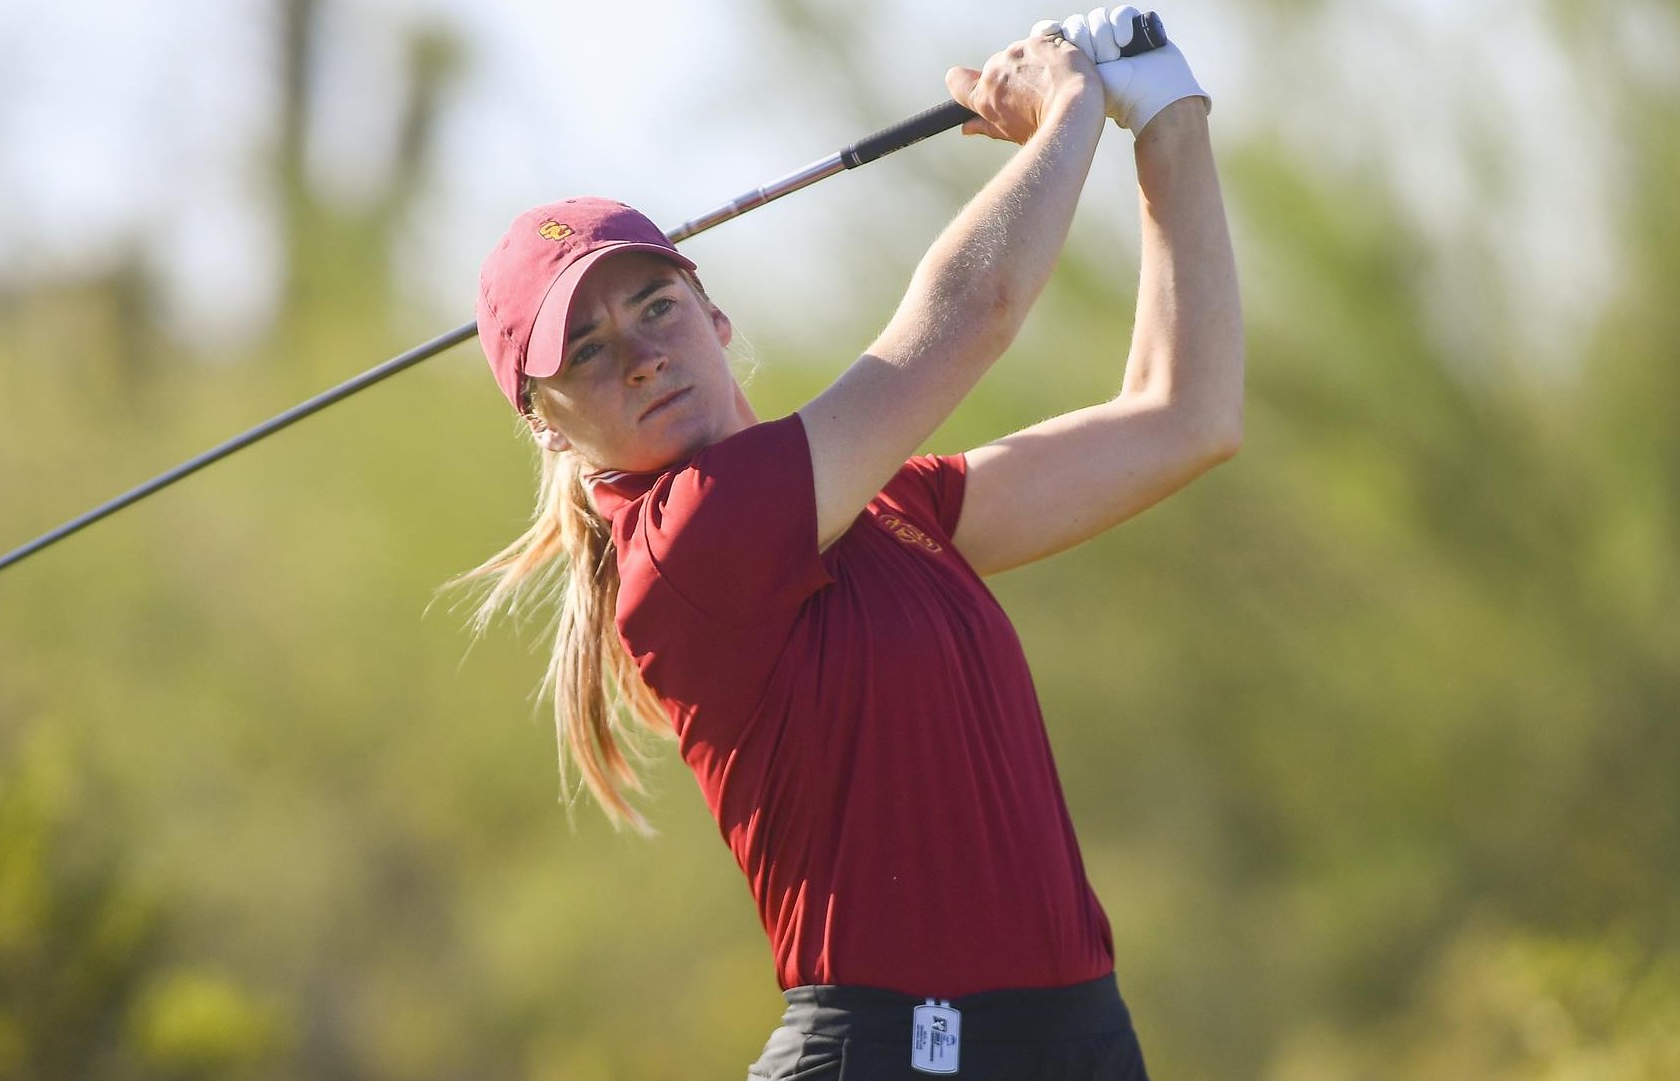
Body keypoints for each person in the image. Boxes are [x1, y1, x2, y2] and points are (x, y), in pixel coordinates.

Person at [463, 7, 1239, 1078]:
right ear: (546, 425)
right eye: (587, 350)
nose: (641, 355)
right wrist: (1069, 107)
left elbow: (1182, 418)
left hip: (1080, 1043)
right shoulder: (688, 541)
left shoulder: (890, 510)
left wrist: (1166, 112)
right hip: (901, 1053)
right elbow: (973, 312)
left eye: (655, 307)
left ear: (715, 316)